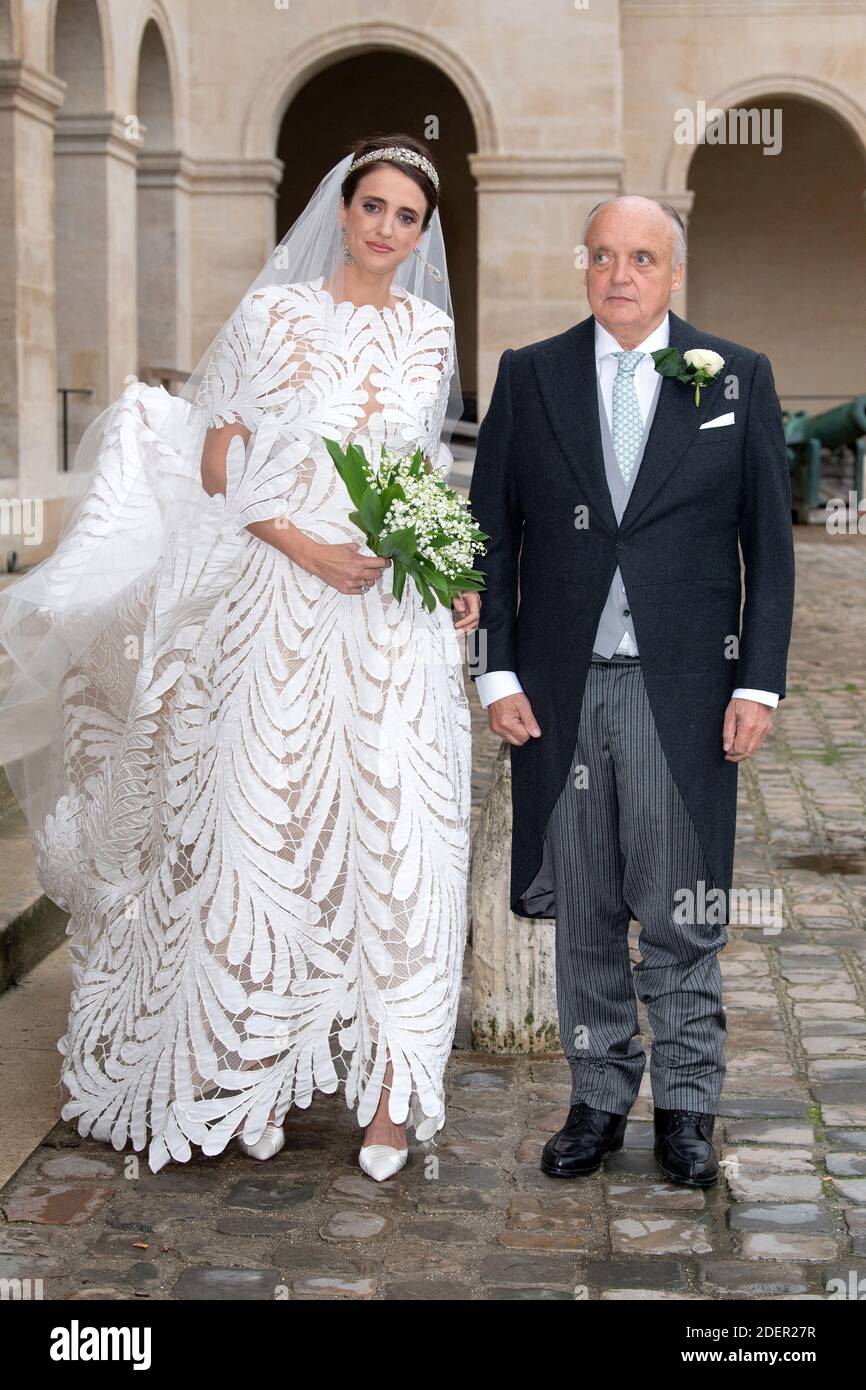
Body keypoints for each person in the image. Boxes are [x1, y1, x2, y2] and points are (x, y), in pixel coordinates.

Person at [0, 134, 479, 1181]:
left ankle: (392, 1096)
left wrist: (448, 561)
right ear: (342, 209)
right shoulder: (274, 316)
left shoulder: (431, 334)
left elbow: (425, 467)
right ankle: (238, 1046)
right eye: (373, 207)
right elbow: (218, 462)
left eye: (406, 216)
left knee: (400, 832)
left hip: (387, 619)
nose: (386, 229)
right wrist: (300, 539)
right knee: (263, 816)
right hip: (279, 601)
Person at [468, 195, 795, 1188]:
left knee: (679, 905)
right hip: (559, 695)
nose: (619, 273)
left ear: (672, 272)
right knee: (583, 905)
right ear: (585, 265)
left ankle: (686, 1108)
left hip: (683, 691)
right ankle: (597, 1099)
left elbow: (768, 552)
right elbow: (488, 536)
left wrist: (759, 686)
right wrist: (496, 668)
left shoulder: (734, 376)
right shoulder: (528, 377)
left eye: (641, 257)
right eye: (603, 255)